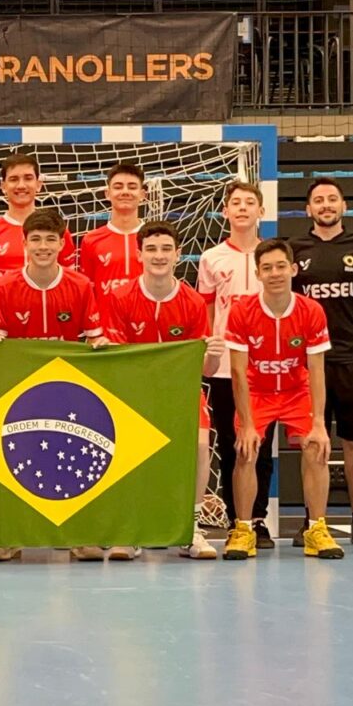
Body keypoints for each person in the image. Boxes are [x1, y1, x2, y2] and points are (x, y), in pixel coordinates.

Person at [0, 208, 111, 561]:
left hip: (68, 392)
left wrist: (100, 344)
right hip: (19, 391)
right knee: (14, 461)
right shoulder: (5, 285)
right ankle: (11, 536)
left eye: (50, 240)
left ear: (62, 244)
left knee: (74, 460)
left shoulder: (80, 285)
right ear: (24, 243)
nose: (43, 246)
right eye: (36, 239)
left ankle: (78, 534)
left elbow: (94, 336)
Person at [102, 221, 224, 560]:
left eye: (166, 249)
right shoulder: (120, 297)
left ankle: (191, 528)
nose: (159, 256)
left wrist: (214, 355)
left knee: (200, 444)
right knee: (126, 446)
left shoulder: (192, 302)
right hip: (133, 394)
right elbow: (117, 361)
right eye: (152, 249)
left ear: (178, 254)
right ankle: (131, 530)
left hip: (180, 392)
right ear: (139, 254)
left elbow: (206, 370)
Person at [223, 239, 343, 560]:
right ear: (257, 274)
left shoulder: (311, 310)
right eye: (267, 268)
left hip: (296, 391)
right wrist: (247, 424)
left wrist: (319, 423)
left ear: (293, 269)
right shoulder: (242, 311)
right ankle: (243, 529)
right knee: (246, 450)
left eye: (280, 266)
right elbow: (237, 371)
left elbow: (316, 369)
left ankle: (316, 528)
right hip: (257, 391)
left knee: (316, 447)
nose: (274, 273)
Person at [289, 177, 353, 546]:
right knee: (314, 442)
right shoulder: (294, 250)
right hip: (309, 361)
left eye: (332, 199)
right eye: (318, 200)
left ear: (344, 206)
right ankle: (313, 522)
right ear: (308, 209)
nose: (326, 205)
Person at [197, 181, 277, 546]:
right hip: (226, 368)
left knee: (261, 444)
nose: (242, 208)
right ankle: (236, 520)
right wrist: (210, 356)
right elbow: (207, 312)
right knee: (231, 444)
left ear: (261, 211)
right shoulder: (211, 258)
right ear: (225, 212)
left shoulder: (272, 255)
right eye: (236, 203)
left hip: (267, 367)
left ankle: (258, 519)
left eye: (249, 202)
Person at [0, 152, 76, 293]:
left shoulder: (58, 230)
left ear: (39, 184)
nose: (21, 185)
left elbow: (70, 283)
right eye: (14, 179)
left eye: (28, 178)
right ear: (3, 186)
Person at [79, 162, 145, 305]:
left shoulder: (156, 238)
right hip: (105, 319)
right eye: (118, 187)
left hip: (146, 318)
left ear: (142, 194)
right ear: (107, 194)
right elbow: (87, 292)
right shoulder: (91, 240)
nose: (125, 192)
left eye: (132, 187)